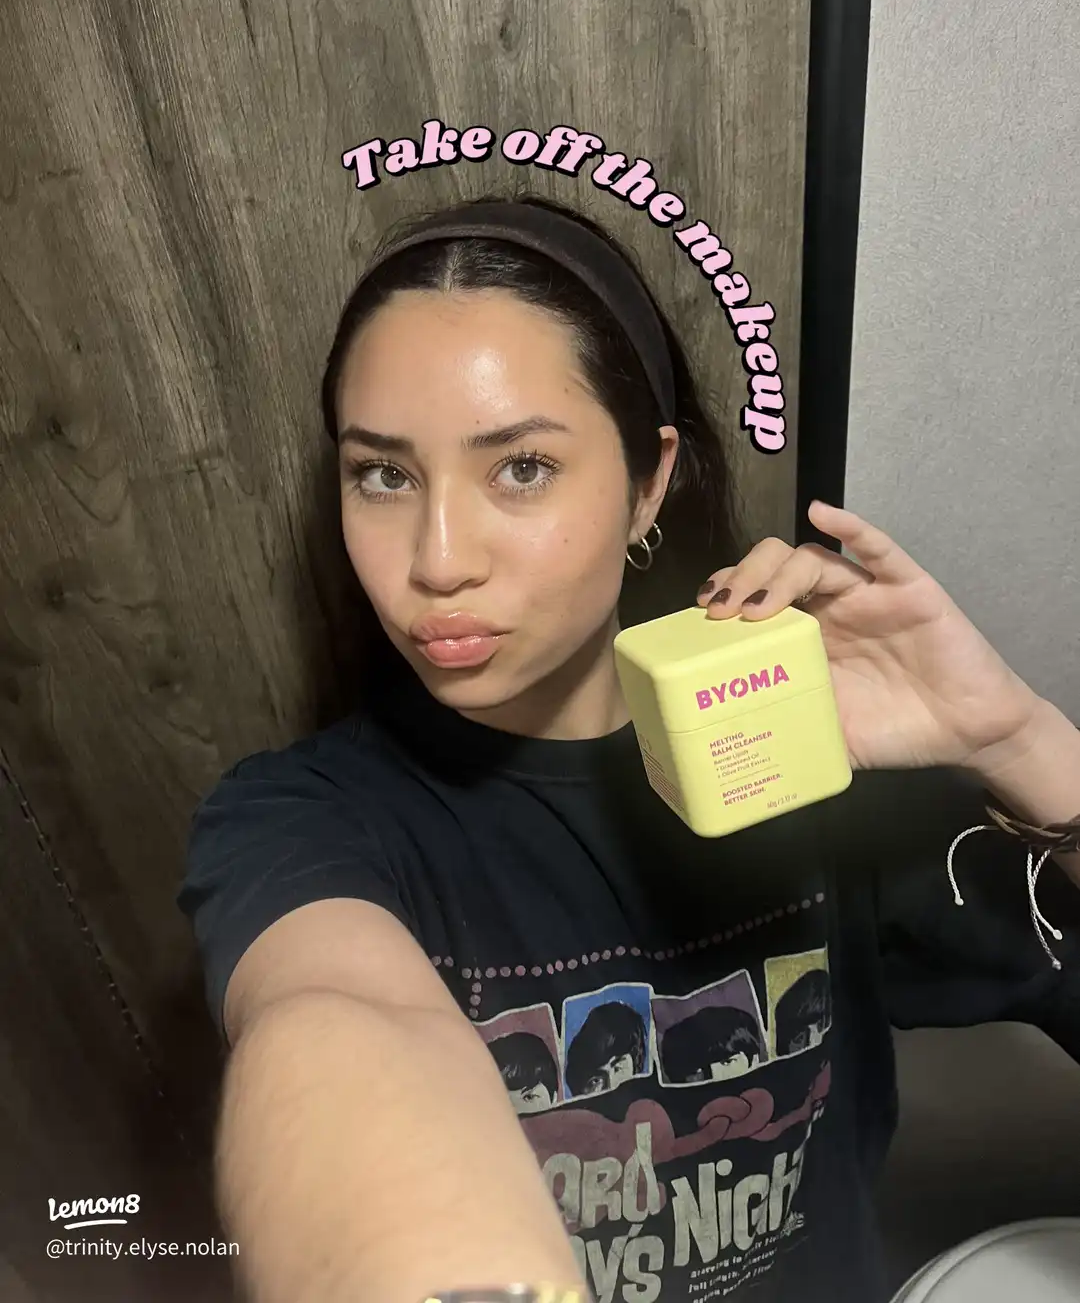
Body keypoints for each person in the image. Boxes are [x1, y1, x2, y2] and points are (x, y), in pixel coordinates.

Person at [177, 195, 1080, 1303]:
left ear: (648, 483)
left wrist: (1017, 738)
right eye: (384, 475)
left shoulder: (796, 754)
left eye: (521, 468)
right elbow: (339, 1025)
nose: (438, 560)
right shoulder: (298, 818)